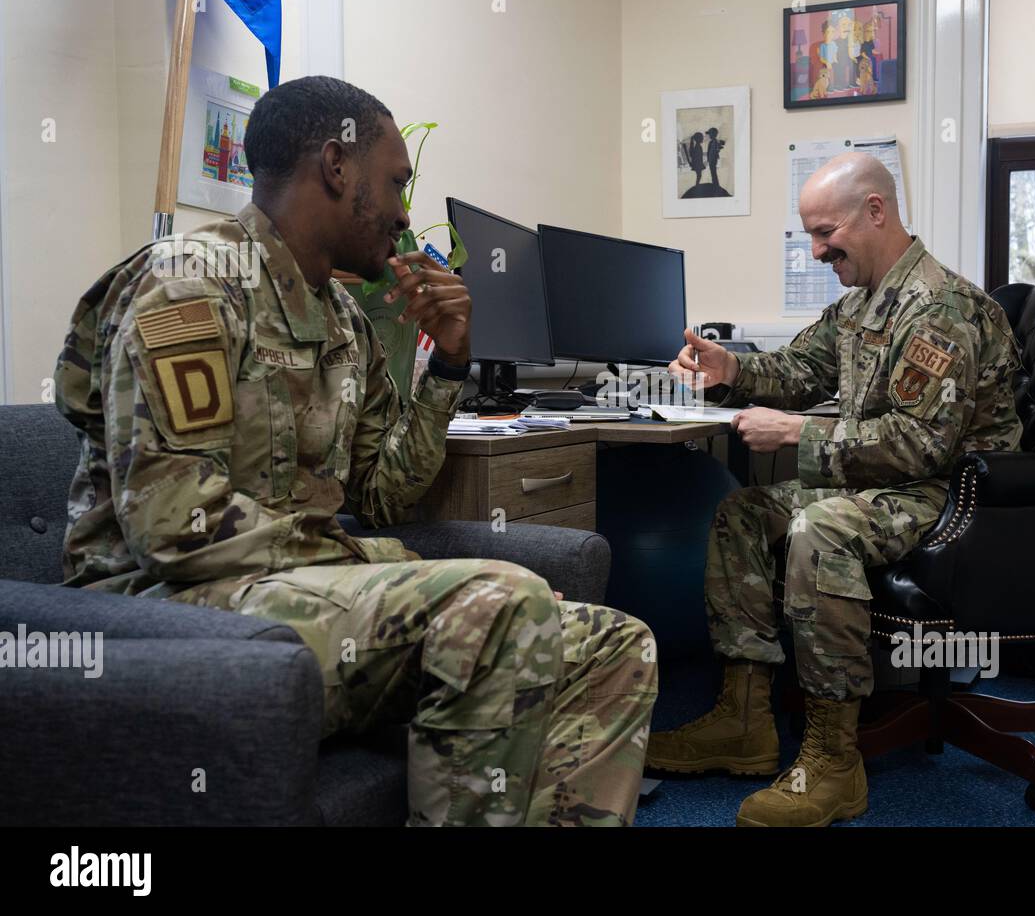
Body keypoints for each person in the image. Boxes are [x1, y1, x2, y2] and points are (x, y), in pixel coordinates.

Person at [53, 75, 657, 827]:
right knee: (499, 604)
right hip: (166, 614)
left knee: (612, 644)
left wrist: (449, 367)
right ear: (337, 168)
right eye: (396, 184)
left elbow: (381, 495)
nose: (405, 215)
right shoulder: (190, 288)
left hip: (293, 596)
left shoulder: (342, 321)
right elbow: (178, 528)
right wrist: (405, 569)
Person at [646, 153, 1022, 826]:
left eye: (826, 234)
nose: (817, 251)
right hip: (888, 486)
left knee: (820, 531)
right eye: (810, 236)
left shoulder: (940, 308)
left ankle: (833, 760)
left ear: (876, 212)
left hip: (947, 498)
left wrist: (795, 434)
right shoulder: (859, 306)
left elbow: (921, 446)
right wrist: (730, 366)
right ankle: (744, 720)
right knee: (744, 512)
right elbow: (797, 368)